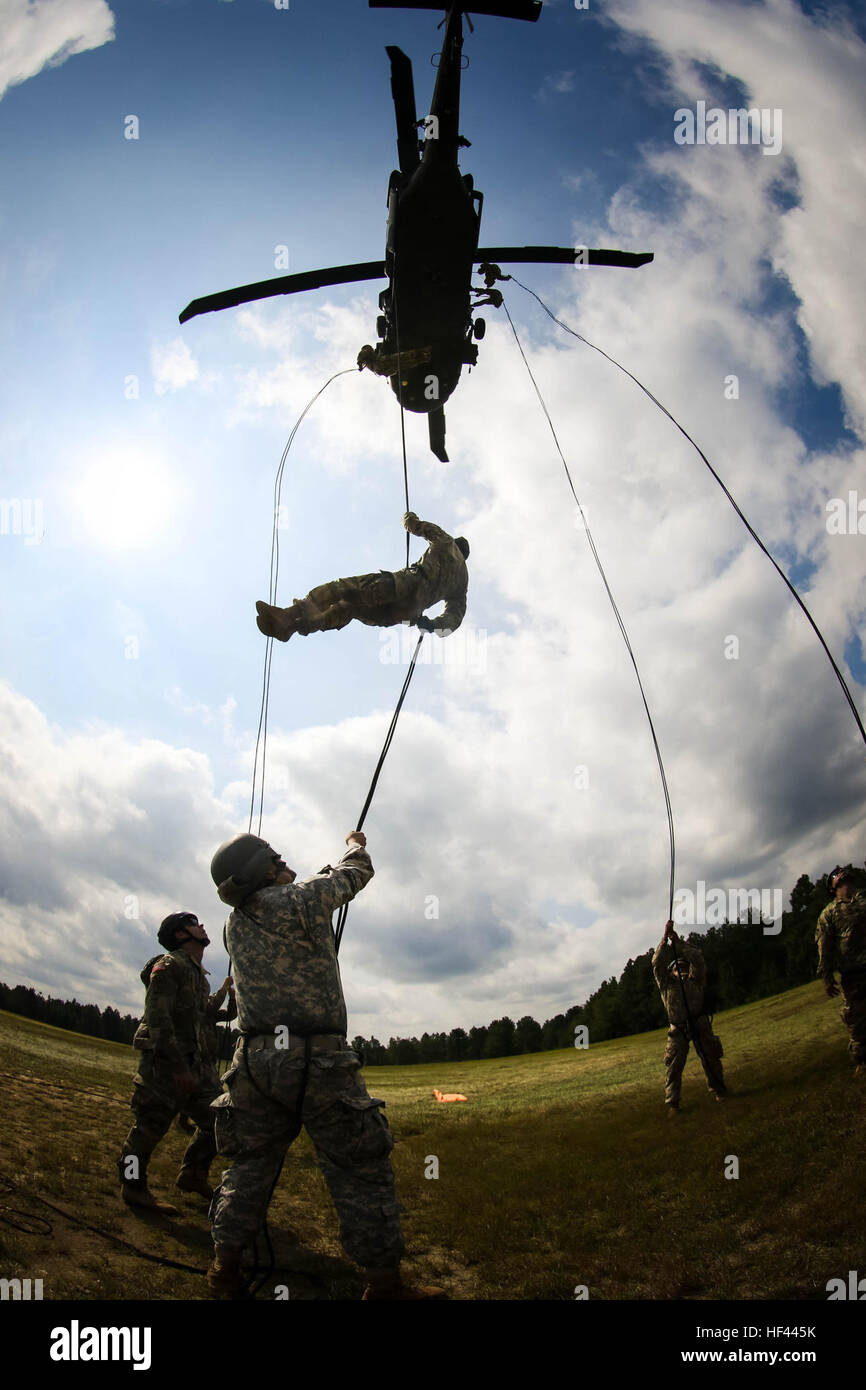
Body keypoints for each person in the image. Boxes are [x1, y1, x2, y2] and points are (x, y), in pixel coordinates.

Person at [206, 830, 444, 1300]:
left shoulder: (234, 925)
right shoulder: (298, 900)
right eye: (275, 857)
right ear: (260, 871)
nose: (284, 859)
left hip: (254, 1063)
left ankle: (224, 1270)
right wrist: (355, 845)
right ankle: (384, 1285)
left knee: (250, 1167)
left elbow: (308, 897)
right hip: (318, 1060)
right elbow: (355, 874)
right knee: (359, 1168)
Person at [117, 912, 223, 1213]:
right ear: (179, 935)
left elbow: (202, 1017)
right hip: (165, 1065)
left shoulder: (197, 974)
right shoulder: (169, 966)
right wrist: (177, 1067)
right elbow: (158, 1021)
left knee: (220, 1122)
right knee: (146, 1133)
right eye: (194, 922)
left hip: (197, 1067)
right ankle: (133, 1187)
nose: (202, 925)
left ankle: (193, 1173)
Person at [254, 511, 468, 642]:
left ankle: (289, 616)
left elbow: (415, 526)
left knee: (345, 589)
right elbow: (453, 620)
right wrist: (431, 625)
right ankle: (296, 626)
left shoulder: (446, 541)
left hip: (402, 585)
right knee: (350, 608)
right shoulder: (462, 583)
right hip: (406, 613)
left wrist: (407, 517)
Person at [651, 920, 727, 1112]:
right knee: (674, 1067)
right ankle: (673, 1103)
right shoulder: (666, 985)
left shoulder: (696, 980)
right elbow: (656, 962)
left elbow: (698, 959)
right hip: (677, 1029)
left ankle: (719, 1090)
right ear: (671, 972)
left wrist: (678, 942)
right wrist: (664, 939)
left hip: (699, 1023)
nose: (681, 969)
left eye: (684, 966)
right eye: (677, 967)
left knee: (711, 1059)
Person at [815, 865, 866, 1075]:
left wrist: (827, 977)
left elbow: (824, 947)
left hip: (853, 973)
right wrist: (826, 976)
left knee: (857, 1021)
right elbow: (824, 947)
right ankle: (862, 1062)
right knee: (857, 1021)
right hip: (853, 975)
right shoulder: (829, 913)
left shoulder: (862, 900)